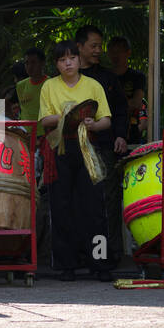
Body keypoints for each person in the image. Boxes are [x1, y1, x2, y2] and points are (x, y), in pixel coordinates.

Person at [39, 39, 112, 282]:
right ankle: (66, 265)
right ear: (57, 64)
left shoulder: (93, 85)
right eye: (62, 59)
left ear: (79, 60)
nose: (68, 62)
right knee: (62, 206)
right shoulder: (49, 86)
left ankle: (100, 263)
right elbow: (44, 120)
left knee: (93, 208)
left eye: (71, 58)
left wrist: (92, 123)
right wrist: (65, 116)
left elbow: (106, 121)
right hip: (60, 148)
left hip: (88, 147)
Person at [75, 26, 128, 261]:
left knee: (108, 199)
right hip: (74, 148)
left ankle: (111, 254)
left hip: (104, 146)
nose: (98, 50)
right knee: (79, 199)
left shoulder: (108, 78)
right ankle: (82, 253)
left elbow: (121, 110)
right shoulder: (66, 77)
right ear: (79, 47)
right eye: (93, 46)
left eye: (100, 46)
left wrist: (121, 135)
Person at [107, 36, 148, 144]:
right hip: (107, 129)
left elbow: (136, 102)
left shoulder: (137, 76)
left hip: (131, 129)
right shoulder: (104, 76)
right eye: (112, 51)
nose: (115, 55)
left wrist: (112, 108)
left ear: (128, 53)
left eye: (119, 51)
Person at [15, 48, 46, 123]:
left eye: (33, 62)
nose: (29, 66)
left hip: (45, 132)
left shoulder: (51, 84)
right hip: (24, 132)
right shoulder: (20, 85)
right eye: (26, 63)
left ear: (42, 63)